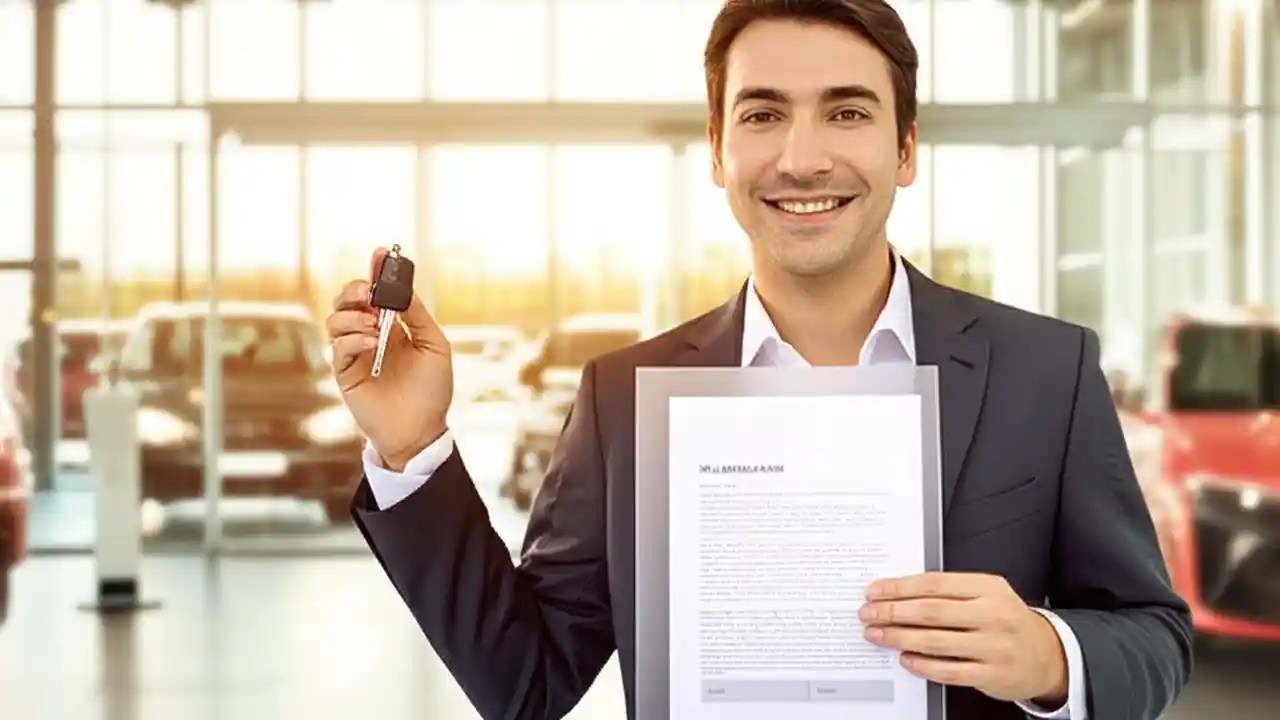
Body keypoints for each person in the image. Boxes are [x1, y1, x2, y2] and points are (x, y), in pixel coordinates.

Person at [326, 1, 1193, 718]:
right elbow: (525, 682)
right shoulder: (626, 400)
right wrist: (412, 449)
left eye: (847, 112)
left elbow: (1155, 635)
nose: (801, 157)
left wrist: (1050, 655)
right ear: (717, 149)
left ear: (905, 149)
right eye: (763, 113)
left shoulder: (1046, 371)